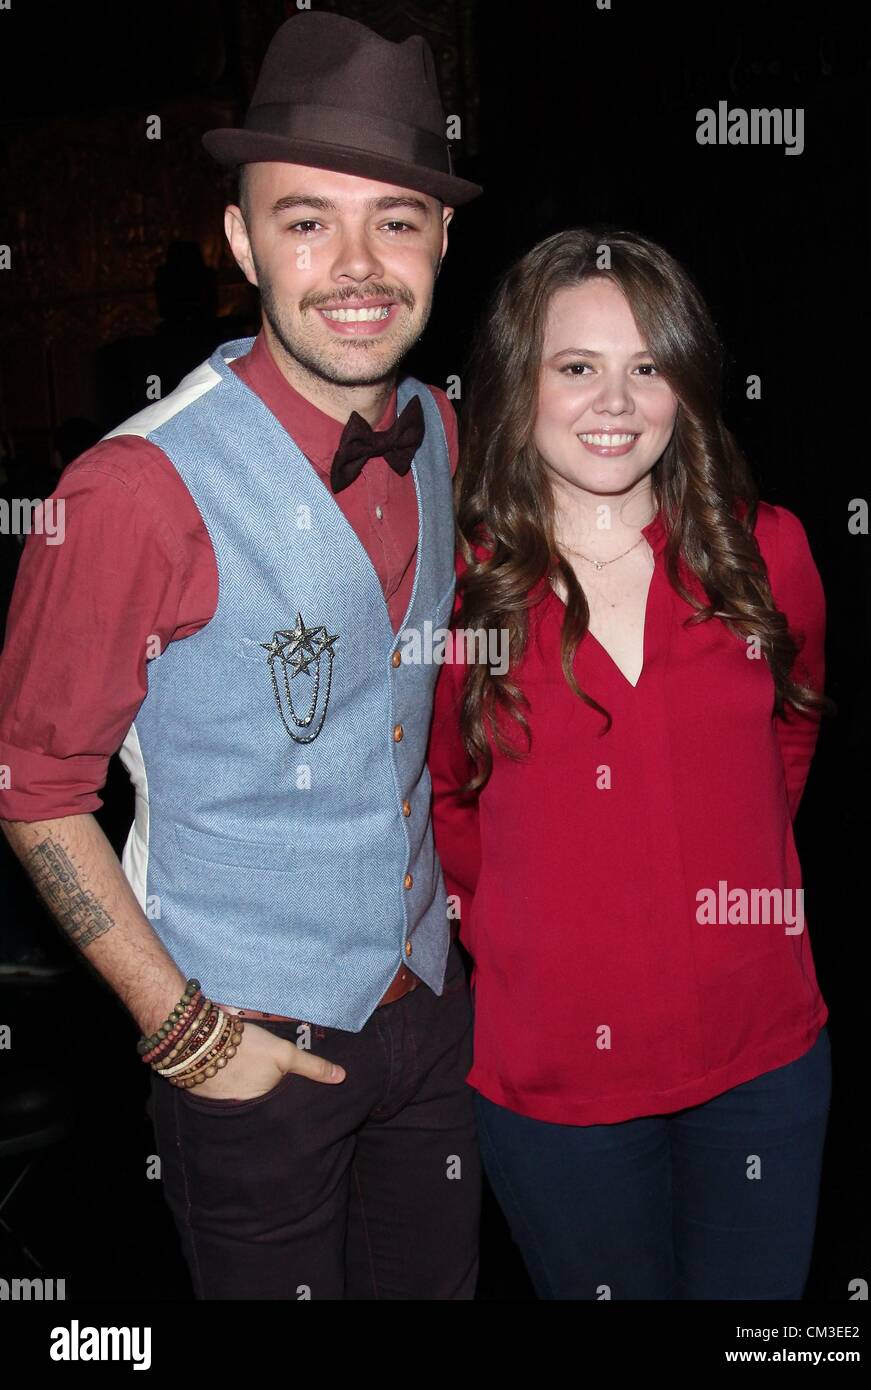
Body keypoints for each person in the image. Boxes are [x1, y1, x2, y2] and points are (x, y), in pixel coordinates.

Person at [0, 11, 483, 1299]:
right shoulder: (129, 490)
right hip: (243, 1038)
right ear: (239, 240)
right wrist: (183, 1026)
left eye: (396, 218)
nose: (356, 264)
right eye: (305, 218)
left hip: (429, 1013)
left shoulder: (441, 430)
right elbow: (37, 788)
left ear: (441, 241)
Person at [428, 225, 833, 1300]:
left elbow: (785, 741)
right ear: (519, 382)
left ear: (684, 386)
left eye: (645, 367)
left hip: (764, 1061)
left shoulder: (765, 551)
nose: (614, 402)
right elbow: (445, 807)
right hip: (557, 1085)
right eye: (576, 368)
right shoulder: (458, 596)